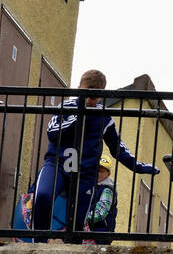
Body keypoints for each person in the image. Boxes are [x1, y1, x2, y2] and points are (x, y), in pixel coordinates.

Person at [32, 70, 160, 239]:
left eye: (94, 96)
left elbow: (117, 147)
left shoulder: (104, 116)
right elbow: (52, 133)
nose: (89, 100)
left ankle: (72, 250)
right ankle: (38, 241)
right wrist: (79, 114)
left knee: (78, 221)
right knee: (42, 196)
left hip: (85, 173)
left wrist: (137, 166)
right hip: (57, 164)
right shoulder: (66, 107)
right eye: (86, 94)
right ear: (79, 88)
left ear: (101, 95)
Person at [83, 153, 117, 245]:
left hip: (100, 235)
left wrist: (81, 217)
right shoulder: (89, 186)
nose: (97, 173)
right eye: (96, 170)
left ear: (108, 174)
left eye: (101, 171)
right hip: (88, 233)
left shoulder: (107, 190)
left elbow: (100, 213)